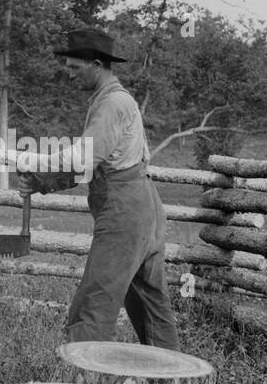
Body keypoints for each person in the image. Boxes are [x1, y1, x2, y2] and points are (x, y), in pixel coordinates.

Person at [18, 27, 180, 351]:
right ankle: (170, 382)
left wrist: (36, 167)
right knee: (150, 305)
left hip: (125, 210)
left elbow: (83, 157)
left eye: (74, 68)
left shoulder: (112, 104)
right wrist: (41, 182)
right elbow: (90, 164)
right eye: (67, 67)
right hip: (140, 205)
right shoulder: (111, 100)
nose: (69, 74)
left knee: (96, 300)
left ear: (96, 65)